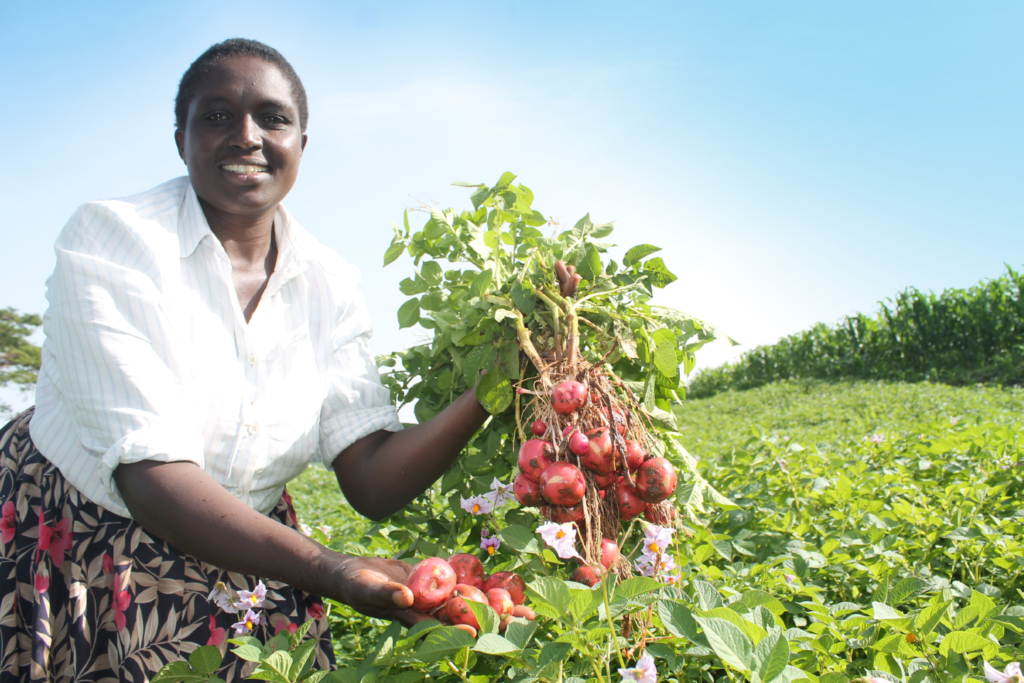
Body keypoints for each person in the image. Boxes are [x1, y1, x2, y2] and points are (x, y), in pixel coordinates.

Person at [0, 38, 549, 681]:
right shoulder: (115, 239)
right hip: (89, 534)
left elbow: (370, 476)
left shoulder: (329, 282)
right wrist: (330, 569)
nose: (246, 136)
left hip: (258, 549)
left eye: (272, 117)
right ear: (180, 138)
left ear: (302, 143)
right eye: (215, 117)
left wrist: (498, 384)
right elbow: (149, 475)